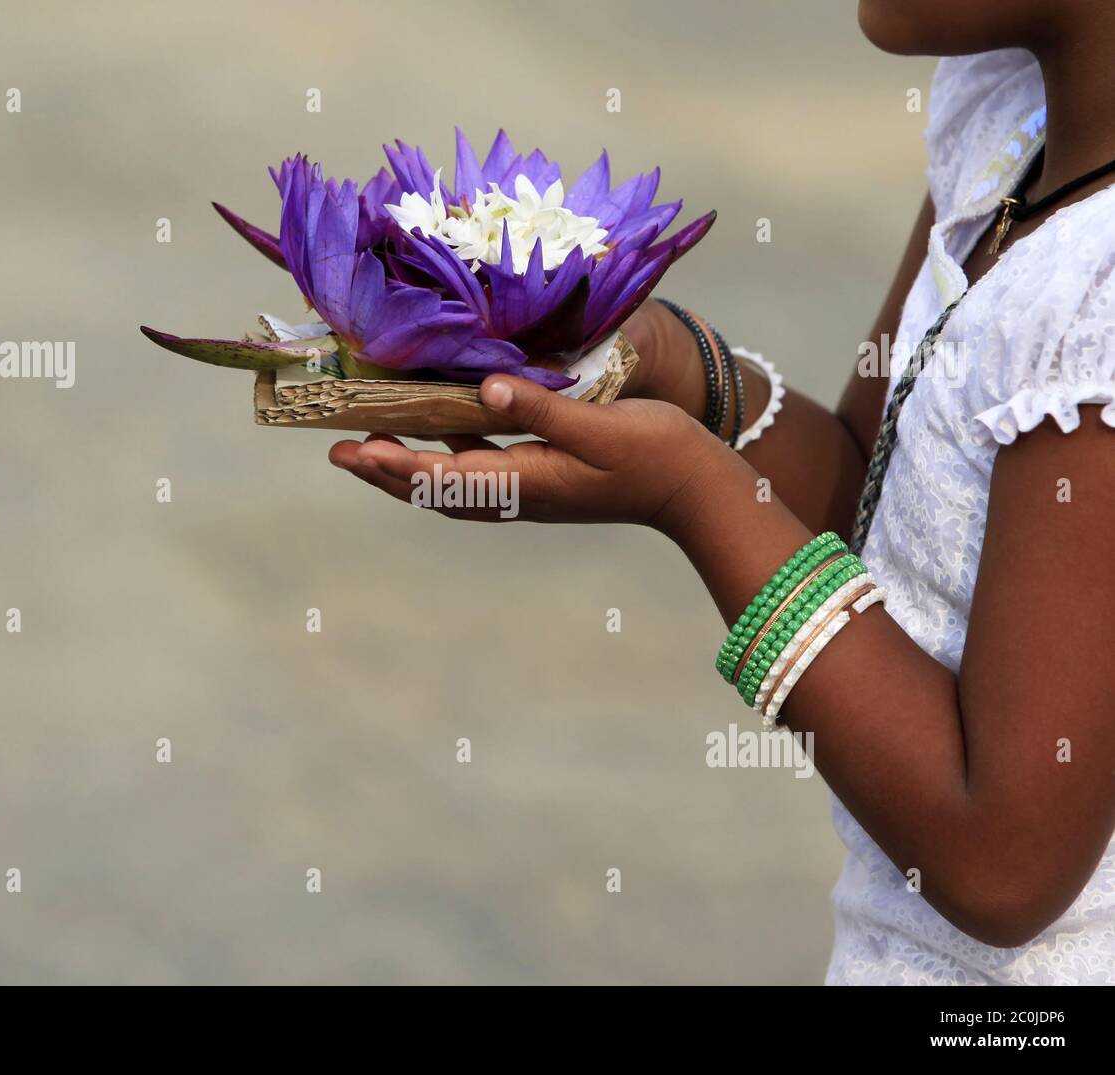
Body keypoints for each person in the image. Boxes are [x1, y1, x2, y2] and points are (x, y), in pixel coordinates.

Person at [329, 0, 1115, 984]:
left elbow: (1002, 860)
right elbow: (876, 524)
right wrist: (679, 368)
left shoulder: (1097, 301)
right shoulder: (1013, 121)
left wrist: (690, 495)